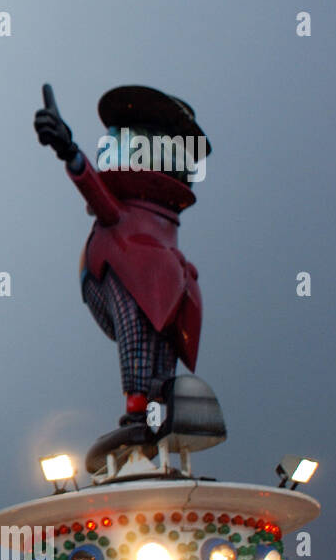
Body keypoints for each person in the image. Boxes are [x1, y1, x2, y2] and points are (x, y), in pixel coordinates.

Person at [34, 83, 209, 429]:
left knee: (150, 340)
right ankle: (146, 404)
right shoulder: (126, 219)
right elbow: (97, 192)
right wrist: (68, 149)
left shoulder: (141, 223)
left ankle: (151, 404)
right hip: (136, 269)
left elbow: (97, 192)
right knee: (140, 332)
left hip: (144, 270)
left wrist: (70, 150)